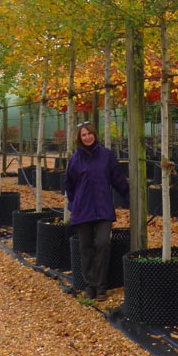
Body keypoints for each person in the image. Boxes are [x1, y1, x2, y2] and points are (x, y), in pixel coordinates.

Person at [64, 121, 129, 302]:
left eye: (89, 134)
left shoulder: (106, 156)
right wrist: (72, 204)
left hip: (103, 208)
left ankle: (101, 287)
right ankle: (90, 285)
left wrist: (128, 195)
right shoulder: (75, 159)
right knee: (85, 247)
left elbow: (117, 178)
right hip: (82, 209)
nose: (87, 137)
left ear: (95, 134)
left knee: (102, 244)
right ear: (79, 138)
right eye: (83, 135)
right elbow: (69, 184)